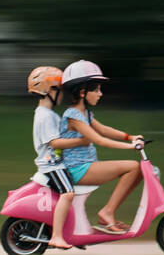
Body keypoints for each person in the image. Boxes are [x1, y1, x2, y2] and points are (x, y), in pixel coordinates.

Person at [57, 59, 144, 233]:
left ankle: (108, 211)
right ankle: (107, 212)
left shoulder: (85, 113)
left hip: (86, 166)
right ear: (82, 92)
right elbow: (99, 140)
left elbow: (104, 130)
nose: (100, 94)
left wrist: (130, 137)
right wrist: (131, 147)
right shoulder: (73, 115)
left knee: (137, 170)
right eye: (96, 89)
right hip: (77, 169)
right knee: (133, 167)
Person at [27, 65, 93, 250]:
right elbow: (55, 143)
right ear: (48, 91)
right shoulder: (44, 116)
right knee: (68, 193)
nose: (62, 95)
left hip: (58, 163)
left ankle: (75, 232)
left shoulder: (49, 114)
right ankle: (56, 236)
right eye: (59, 90)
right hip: (51, 165)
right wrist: (82, 141)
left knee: (78, 191)